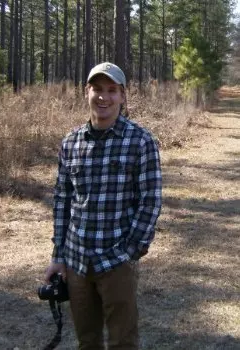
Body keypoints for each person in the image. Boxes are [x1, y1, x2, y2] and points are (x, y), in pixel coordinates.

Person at [45, 62, 162, 349]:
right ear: (86, 92)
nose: (103, 97)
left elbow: (150, 200)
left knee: (123, 341)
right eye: (97, 89)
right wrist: (58, 255)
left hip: (116, 261)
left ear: (123, 96)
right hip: (76, 262)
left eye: (112, 90)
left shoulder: (140, 141)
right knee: (87, 340)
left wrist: (129, 251)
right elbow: (62, 201)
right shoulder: (71, 142)